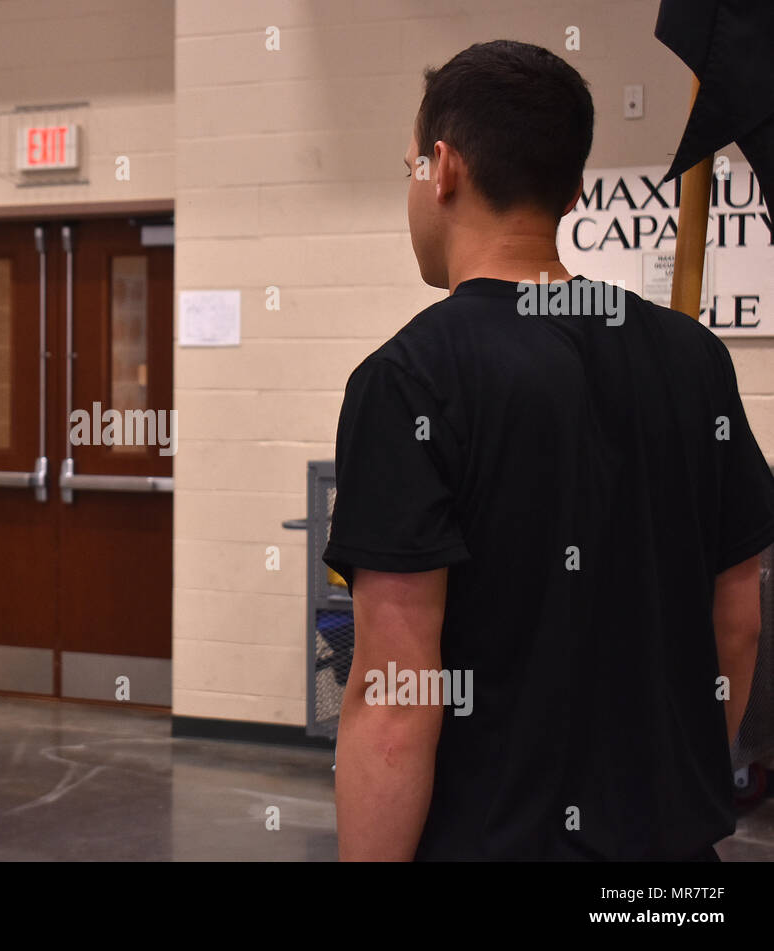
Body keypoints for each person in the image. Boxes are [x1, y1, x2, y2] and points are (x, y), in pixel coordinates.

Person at [325, 40, 774, 861]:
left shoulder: (408, 381)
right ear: (572, 188)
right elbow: (739, 620)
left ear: (444, 169)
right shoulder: (694, 359)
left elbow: (395, 700)